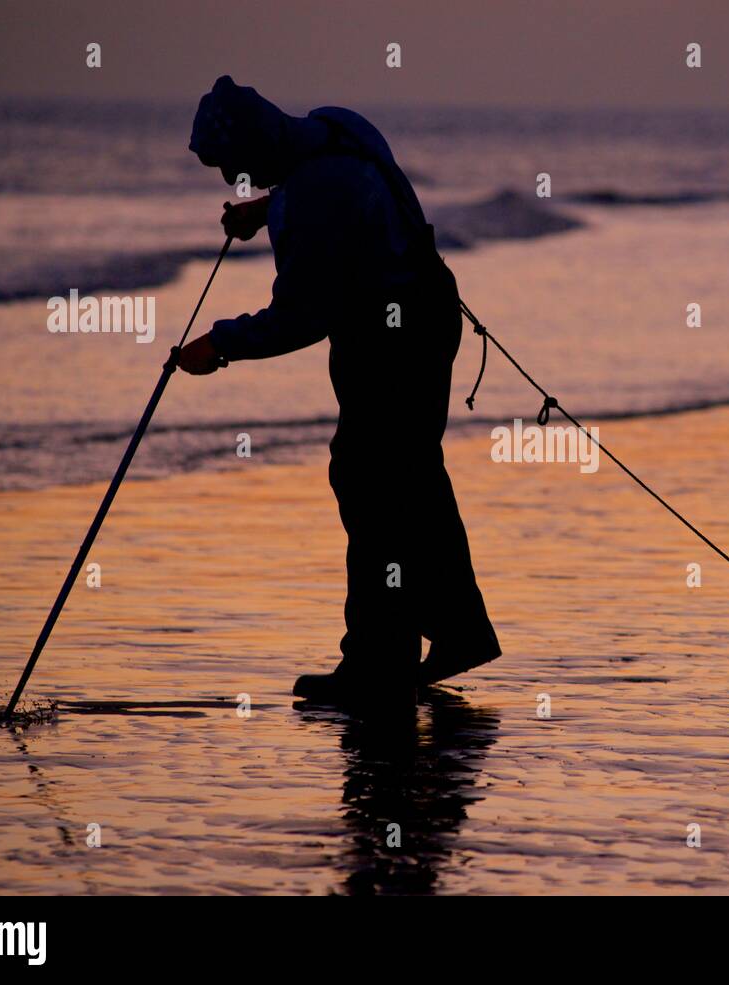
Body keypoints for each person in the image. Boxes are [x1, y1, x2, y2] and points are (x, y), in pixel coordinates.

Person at [179, 76, 500, 708]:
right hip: (430, 307)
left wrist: (220, 344)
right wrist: (267, 208)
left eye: (231, 167)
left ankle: (378, 663)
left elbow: (302, 315)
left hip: (392, 337)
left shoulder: (311, 199)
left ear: (254, 142)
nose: (229, 181)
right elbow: (346, 192)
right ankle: (451, 633)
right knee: (409, 480)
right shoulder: (337, 125)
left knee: (369, 479)